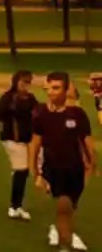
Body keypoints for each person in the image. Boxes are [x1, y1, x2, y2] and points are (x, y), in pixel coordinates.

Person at [30, 72, 95, 252]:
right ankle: (64, 245)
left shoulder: (77, 114)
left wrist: (92, 166)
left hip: (75, 170)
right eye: (49, 88)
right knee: (63, 208)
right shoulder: (40, 114)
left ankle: (60, 234)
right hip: (53, 170)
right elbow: (35, 144)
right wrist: (35, 172)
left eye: (56, 88)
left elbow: (87, 143)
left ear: (66, 90)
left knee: (69, 208)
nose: (51, 92)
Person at [0, 69, 37, 221]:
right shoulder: (8, 97)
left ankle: (17, 205)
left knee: (23, 171)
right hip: (12, 138)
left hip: (26, 139)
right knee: (22, 170)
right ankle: (15, 206)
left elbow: (37, 113)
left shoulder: (30, 98)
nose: (26, 84)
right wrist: (11, 112)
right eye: (24, 81)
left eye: (28, 81)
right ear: (16, 81)